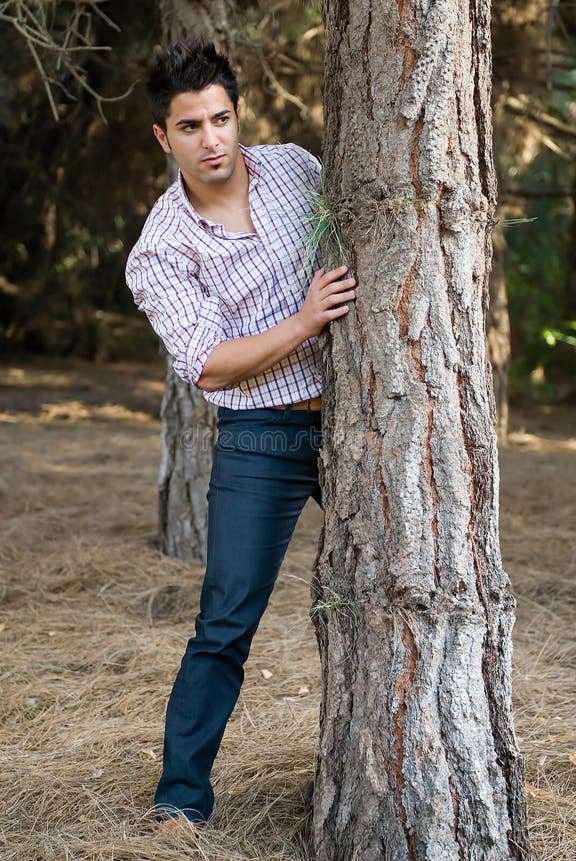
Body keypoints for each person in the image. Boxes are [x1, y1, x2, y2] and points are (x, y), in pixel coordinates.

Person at [125, 37, 356, 825]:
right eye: (190, 127)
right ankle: (179, 803)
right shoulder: (161, 248)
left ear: (236, 114)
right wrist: (304, 322)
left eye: (220, 118)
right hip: (262, 436)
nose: (212, 139)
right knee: (224, 623)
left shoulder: (295, 167)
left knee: (405, 577)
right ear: (163, 137)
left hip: (362, 419)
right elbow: (210, 365)